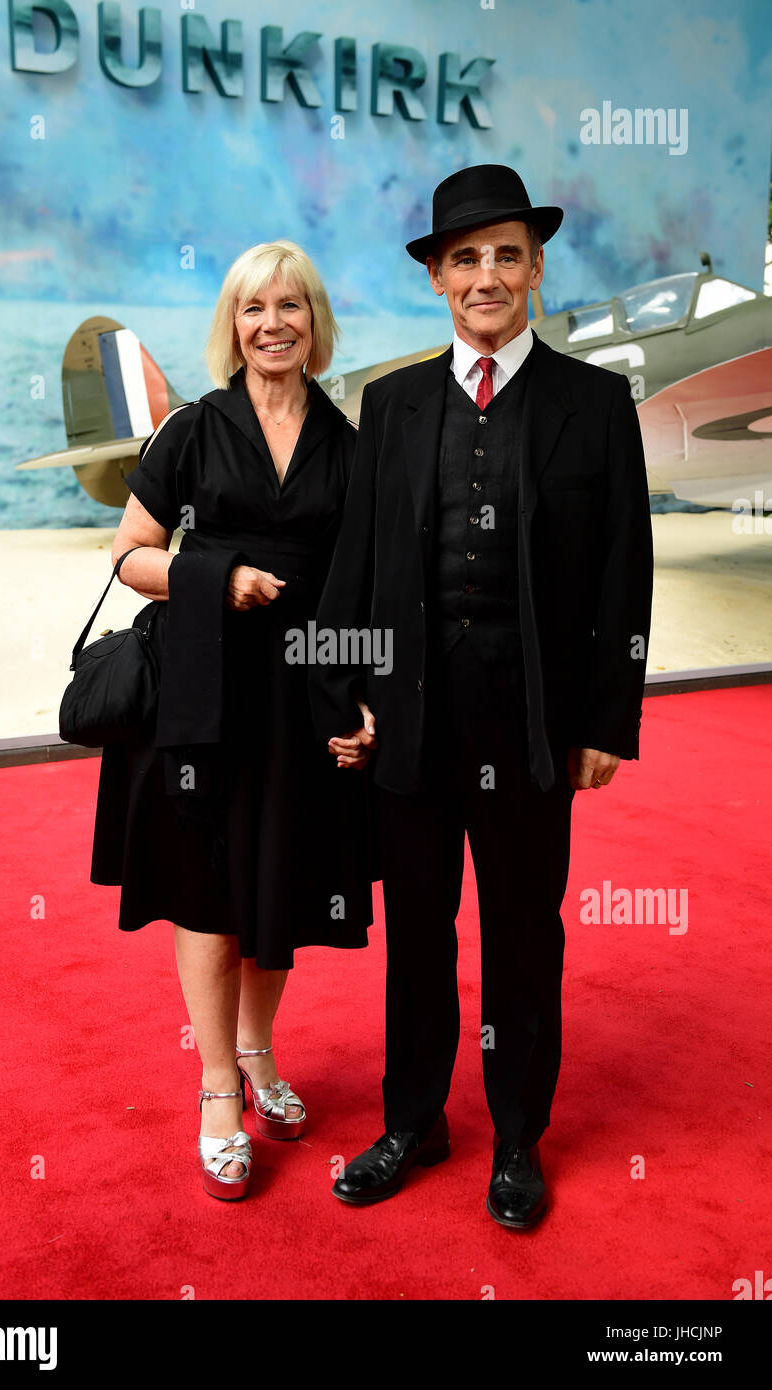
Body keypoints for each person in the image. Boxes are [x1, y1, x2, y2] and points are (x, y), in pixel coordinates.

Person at [310, 165, 653, 1228]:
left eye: (505, 253)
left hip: (530, 717)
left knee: (520, 930)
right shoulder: (392, 403)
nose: (486, 274)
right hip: (412, 717)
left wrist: (606, 721)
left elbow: (621, 574)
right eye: (464, 257)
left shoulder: (593, 404)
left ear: (535, 267)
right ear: (436, 280)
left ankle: (515, 1138)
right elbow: (356, 569)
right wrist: (345, 701)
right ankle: (411, 1120)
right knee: (416, 928)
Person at [91, 240, 373, 1201]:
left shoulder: (347, 441)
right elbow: (129, 555)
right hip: (202, 692)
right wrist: (220, 578)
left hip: (304, 696)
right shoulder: (196, 430)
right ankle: (217, 1089)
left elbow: (358, 586)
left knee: (279, 885)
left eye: (291, 306)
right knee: (209, 887)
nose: (273, 324)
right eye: (255, 309)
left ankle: (257, 1055)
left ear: (314, 321)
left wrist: (361, 694)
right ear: (234, 325)